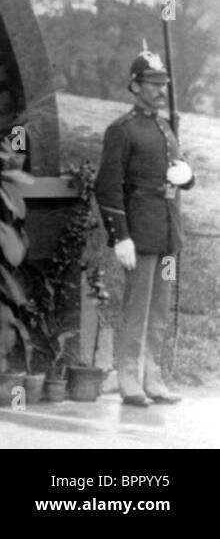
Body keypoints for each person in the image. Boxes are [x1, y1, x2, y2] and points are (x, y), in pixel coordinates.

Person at [93, 47, 195, 407]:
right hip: (140, 234)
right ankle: (129, 378)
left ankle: (153, 376)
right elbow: (107, 185)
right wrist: (121, 237)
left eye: (163, 83)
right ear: (133, 86)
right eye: (152, 83)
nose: (159, 90)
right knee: (136, 309)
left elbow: (179, 171)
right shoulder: (122, 130)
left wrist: (187, 177)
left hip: (168, 236)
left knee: (159, 312)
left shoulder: (165, 126)